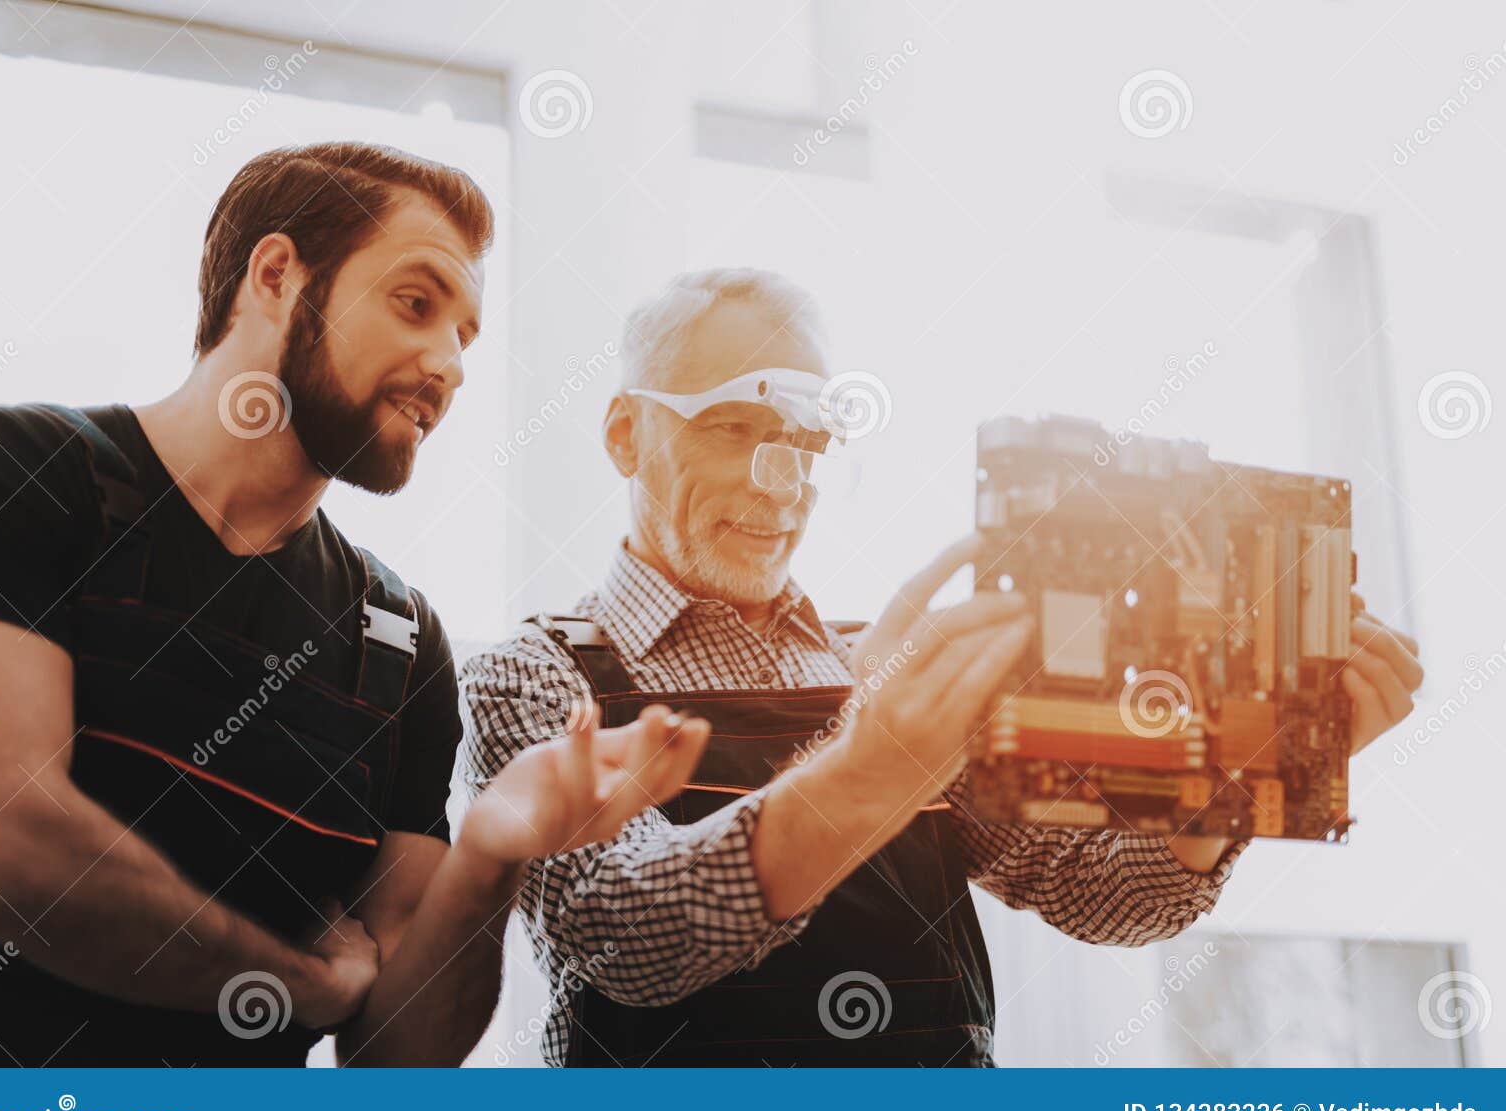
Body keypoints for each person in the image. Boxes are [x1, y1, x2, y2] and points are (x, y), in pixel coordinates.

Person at [458, 267, 1425, 1066]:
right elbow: (625, 939)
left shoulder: (892, 665)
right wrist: (863, 758)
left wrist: (1245, 766)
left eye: (807, 439)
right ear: (627, 432)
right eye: (733, 428)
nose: (783, 484)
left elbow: (1099, 894)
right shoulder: (535, 678)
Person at [0, 142, 709, 1067]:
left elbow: (397, 1060)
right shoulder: (13, 474)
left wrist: (493, 854)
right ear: (279, 275)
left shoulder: (401, 639)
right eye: (417, 304)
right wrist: (298, 984)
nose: (447, 364)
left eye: (466, 337)